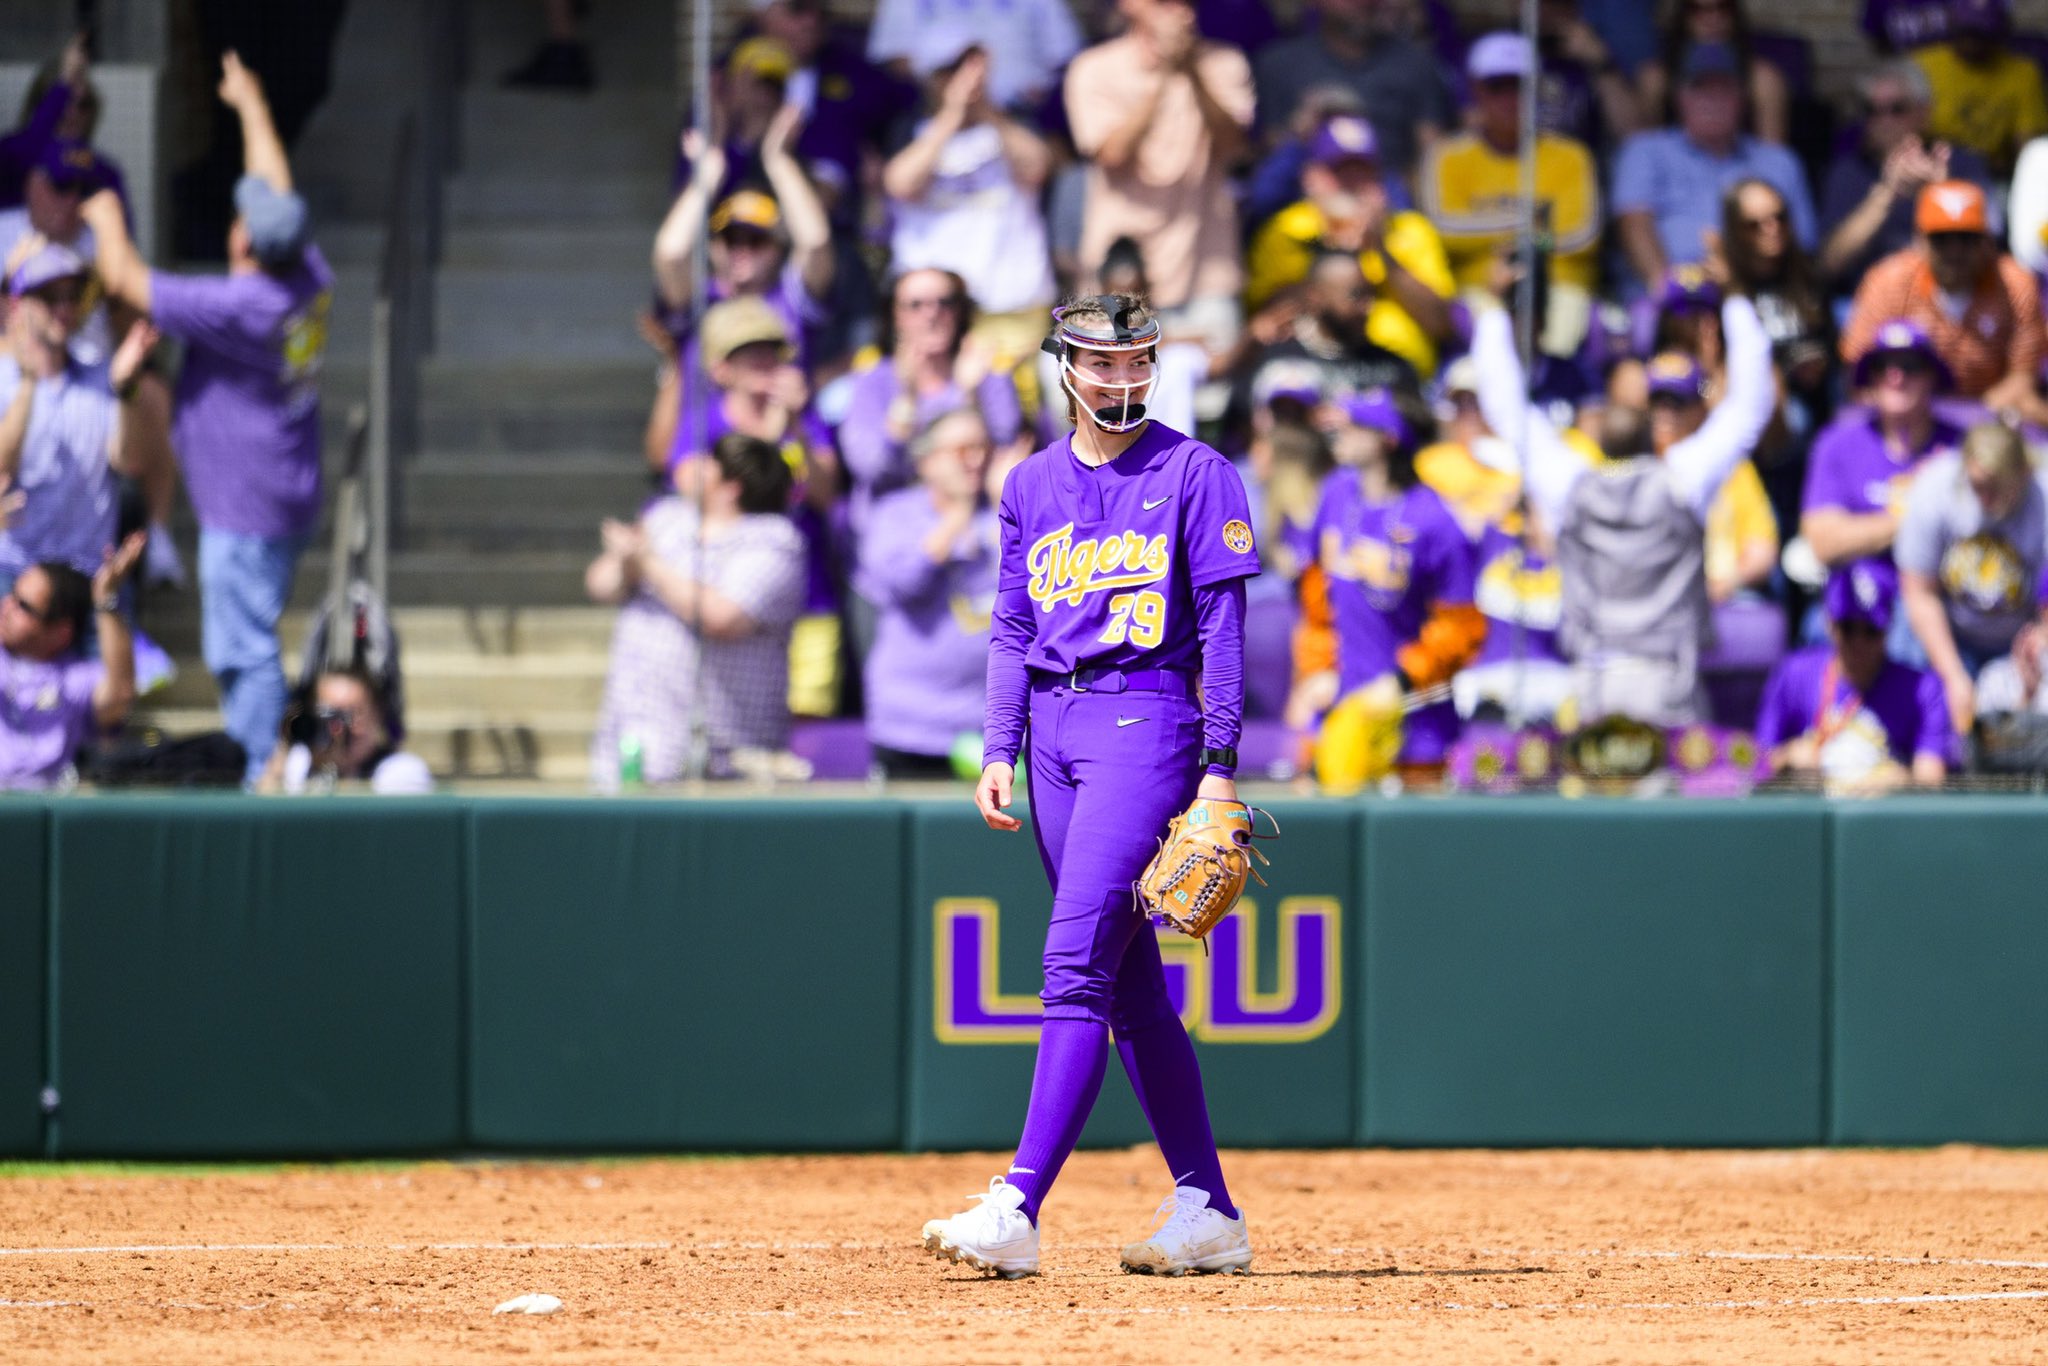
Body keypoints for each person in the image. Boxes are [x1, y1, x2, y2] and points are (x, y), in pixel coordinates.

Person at [925, 294, 1259, 1279]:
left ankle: (1018, 1204)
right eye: (1103, 363)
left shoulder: (1196, 472)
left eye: (1138, 360)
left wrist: (1219, 769)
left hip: (1145, 720)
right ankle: (1208, 1207)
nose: (1122, 378)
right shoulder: (1029, 482)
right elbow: (1012, 625)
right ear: (1065, 368)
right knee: (1127, 984)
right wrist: (999, 745)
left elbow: (1225, 633)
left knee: (1073, 964)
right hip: (1051, 733)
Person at [79, 52, 333, 785]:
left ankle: (259, 777)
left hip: (247, 507)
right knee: (248, 637)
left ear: (243, 242)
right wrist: (251, 105)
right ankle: (265, 762)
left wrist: (105, 206)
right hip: (284, 490)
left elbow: (126, 277)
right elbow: (276, 188)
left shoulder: (240, 306)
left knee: (240, 648)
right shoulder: (307, 273)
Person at [1471, 272, 1775, 728]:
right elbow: (1749, 408)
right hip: (1652, 679)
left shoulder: (1572, 482)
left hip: (1610, 680)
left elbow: (1505, 408)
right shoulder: (1682, 479)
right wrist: (1735, 300)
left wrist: (1495, 314)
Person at [586, 433, 808, 788]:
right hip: (636, 737)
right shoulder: (667, 516)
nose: (690, 464)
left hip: (724, 758)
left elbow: (722, 617)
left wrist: (648, 562)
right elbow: (599, 584)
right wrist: (627, 562)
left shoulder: (773, 540)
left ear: (731, 488)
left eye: (707, 462)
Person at [1303, 389, 1484, 784]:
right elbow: (1315, 598)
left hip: (1416, 729)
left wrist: (1402, 680)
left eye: (1355, 424)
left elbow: (1462, 628)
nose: (1340, 430)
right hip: (1338, 714)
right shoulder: (1335, 495)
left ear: (1388, 439)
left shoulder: (1435, 520)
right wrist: (1317, 669)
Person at [1065, 0, 1254, 344]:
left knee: (1212, 381)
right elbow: (1112, 155)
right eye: (1165, 2)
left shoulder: (1225, 62)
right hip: (1119, 275)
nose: (1184, 12)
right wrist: (1166, 76)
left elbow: (1236, 148)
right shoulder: (1093, 68)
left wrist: (1192, 72)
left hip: (1206, 276)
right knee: (1114, 377)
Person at [653, 102, 835, 445]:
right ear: (712, 246)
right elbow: (670, 253)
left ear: (778, 248)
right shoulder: (701, 300)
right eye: (730, 239)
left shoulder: (792, 299)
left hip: (785, 453)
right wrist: (707, 175)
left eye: (756, 240)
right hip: (703, 456)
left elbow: (816, 243)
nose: (742, 250)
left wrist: (778, 160)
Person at [1420, 32, 1602, 359]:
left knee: (1554, 348)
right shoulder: (1447, 156)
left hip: (1558, 288)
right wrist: (1530, 221)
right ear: (1475, 90)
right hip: (1477, 291)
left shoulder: (1571, 156)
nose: (1509, 99)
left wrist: (1499, 239)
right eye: (1496, 87)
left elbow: (1582, 237)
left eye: (1519, 86)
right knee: (1483, 353)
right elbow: (1440, 229)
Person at [0, 244, 164, 588]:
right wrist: (29, 382)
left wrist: (126, 390)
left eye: (73, 296)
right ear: (16, 305)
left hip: (89, 576)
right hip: (14, 578)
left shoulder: (102, 376)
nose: (64, 308)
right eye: (50, 297)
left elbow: (131, 463)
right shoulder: (5, 379)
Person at [1245, 115, 1455, 380]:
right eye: (1341, 173)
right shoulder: (1287, 228)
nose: (1354, 185)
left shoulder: (1410, 228)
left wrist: (1381, 248)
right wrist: (1331, 252)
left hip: (1397, 374)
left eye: (1363, 172)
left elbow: (1441, 323)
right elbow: (1267, 317)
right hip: (1313, 371)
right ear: (1312, 178)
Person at [881, 44, 1058, 357]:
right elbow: (900, 184)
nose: (963, 81)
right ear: (932, 78)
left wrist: (987, 110)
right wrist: (951, 115)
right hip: (932, 308)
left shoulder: (1012, 121)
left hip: (1011, 304)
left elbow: (1038, 168)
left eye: (971, 70)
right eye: (951, 71)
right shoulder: (907, 126)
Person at [856, 408, 1000, 778]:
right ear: (927, 461)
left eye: (983, 448)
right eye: (963, 450)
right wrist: (955, 521)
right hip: (912, 725)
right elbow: (901, 584)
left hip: (992, 727)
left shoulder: (1007, 514)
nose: (976, 460)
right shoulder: (896, 514)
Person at [1609, 41, 1815, 296]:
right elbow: (1634, 225)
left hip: (1758, 295)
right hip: (1669, 296)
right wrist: (1670, 292)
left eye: (1724, 89)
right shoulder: (1644, 151)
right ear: (1678, 96)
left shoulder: (1778, 161)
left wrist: (1737, 286)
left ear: (1743, 97)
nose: (1712, 100)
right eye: (1700, 88)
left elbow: (1801, 248)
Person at [836, 268, 1024, 541]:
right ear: (895, 314)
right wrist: (906, 400)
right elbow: (871, 467)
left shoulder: (987, 374)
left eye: (945, 302)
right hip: (897, 528)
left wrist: (970, 395)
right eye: (916, 305)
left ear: (959, 310)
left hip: (978, 525)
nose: (932, 313)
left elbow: (1006, 454)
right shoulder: (873, 382)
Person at [1839, 181, 2048, 423]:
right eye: (1941, 238)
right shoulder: (1888, 281)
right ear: (1919, 239)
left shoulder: (2015, 285)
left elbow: (2022, 378)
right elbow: (1857, 368)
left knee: (2032, 412)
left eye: (1966, 238)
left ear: (1986, 240)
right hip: (1905, 413)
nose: (1954, 251)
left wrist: (1965, 418)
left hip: (1989, 415)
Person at [1896, 420, 2048, 735]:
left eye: (1998, 489)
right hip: (1950, 631)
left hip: (2020, 636)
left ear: (2025, 474)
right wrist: (1953, 675)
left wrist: (2039, 638)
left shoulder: (2043, 498)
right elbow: (1919, 592)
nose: (1986, 499)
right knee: (1902, 629)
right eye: (1978, 486)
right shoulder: (1935, 487)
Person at [1756, 561, 1951, 791]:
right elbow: (1756, 764)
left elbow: (1931, 780)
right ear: (1829, 622)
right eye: (1848, 628)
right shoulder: (1794, 673)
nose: (1859, 643)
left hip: (1885, 810)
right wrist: (1789, 756)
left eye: (1871, 630)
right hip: (1811, 808)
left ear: (1889, 625)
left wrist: (1901, 780)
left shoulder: (1922, 689)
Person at [1800, 320, 1964, 580]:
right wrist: (1921, 512)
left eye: (1910, 365)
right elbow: (1823, 543)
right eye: (1882, 365)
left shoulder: (1962, 447)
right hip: (1862, 594)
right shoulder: (1836, 445)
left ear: (1932, 376)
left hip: (1943, 587)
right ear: (1872, 378)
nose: (1895, 377)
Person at [1818, 60, 1991, 294]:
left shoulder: (1962, 163)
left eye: (1896, 109)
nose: (1883, 121)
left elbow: (1990, 256)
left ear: (1924, 113)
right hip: (1867, 301)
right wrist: (1887, 193)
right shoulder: (1846, 171)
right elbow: (1828, 265)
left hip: (1950, 299)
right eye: (1871, 110)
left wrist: (1940, 193)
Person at [0, 534, 144, 791]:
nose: (6, 605)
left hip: (45, 805)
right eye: (11, 594)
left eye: (23, 605)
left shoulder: (74, 678)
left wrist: (105, 598)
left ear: (61, 632)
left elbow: (119, 695)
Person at [1250, 0, 1452, 182]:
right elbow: (1269, 162)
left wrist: (1392, 195)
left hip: (1390, 196)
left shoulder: (1416, 64)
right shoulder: (1279, 65)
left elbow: (1432, 159)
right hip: (1303, 197)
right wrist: (1301, 129)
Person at [1234, 250, 1419, 416]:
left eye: (1371, 295)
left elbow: (1419, 427)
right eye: (1356, 295)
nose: (1368, 307)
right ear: (1316, 297)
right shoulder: (1277, 359)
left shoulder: (1391, 367)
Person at [1909, 0, 2048, 178]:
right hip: (1931, 161)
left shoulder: (2023, 73)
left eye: (1981, 34)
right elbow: (1904, 130)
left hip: (1992, 172)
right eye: (1967, 33)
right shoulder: (1922, 65)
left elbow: (2028, 146)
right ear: (1953, 28)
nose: (1972, 43)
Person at [867, 0, 1082, 112]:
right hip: (933, 114)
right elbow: (894, 59)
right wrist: (943, 96)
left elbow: (1064, 58)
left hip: (1021, 114)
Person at [258, 666, 434, 795]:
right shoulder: (298, 763)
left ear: (377, 715)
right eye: (328, 715)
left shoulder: (402, 770)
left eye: (352, 714)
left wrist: (343, 770)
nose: (339, 729)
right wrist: (280, 765)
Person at [1637, 0, 1790, 146]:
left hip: (1740, 162)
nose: (1712, 19)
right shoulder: (1657, 78)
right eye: (1697, 10)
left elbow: (1772, 153)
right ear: (1683, 15)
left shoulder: (1761, 78)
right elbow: (1644, 149)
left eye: (1723, 7)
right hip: (1672, 163)